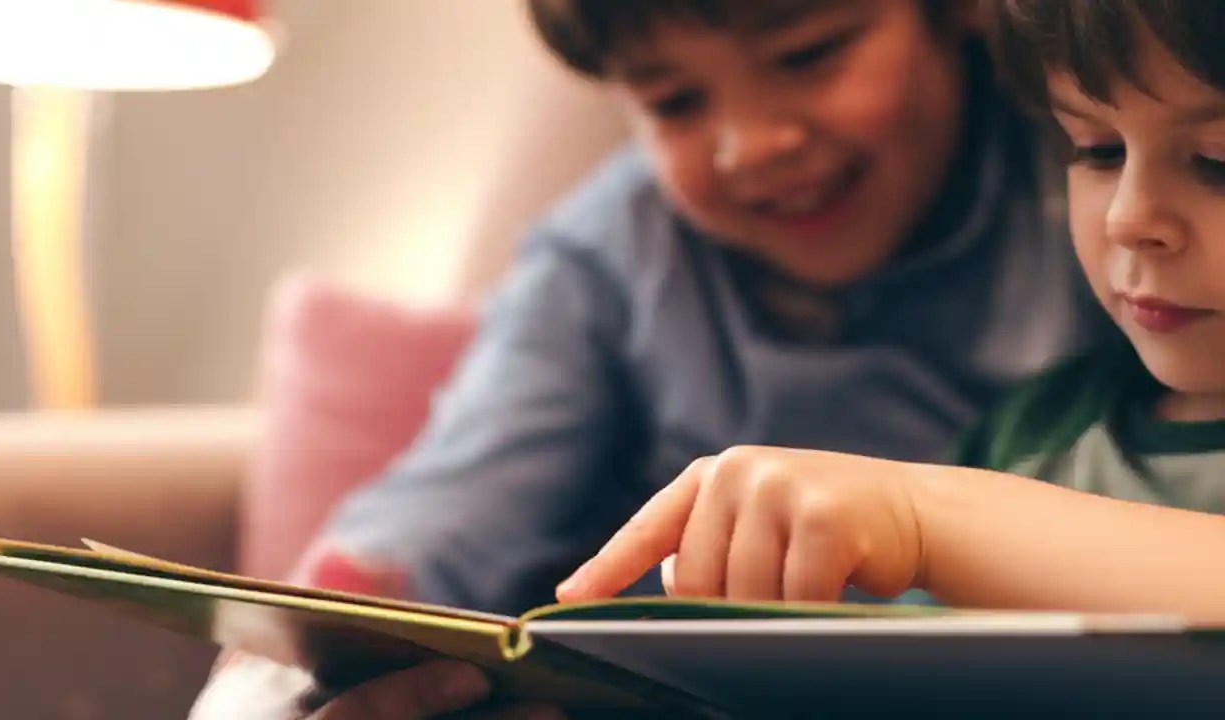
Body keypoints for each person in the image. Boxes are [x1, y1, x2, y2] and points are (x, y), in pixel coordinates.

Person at [191, 0, 1103, 716]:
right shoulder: (610, 258)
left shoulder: (1098, 187)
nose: (753, 144)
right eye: (675, 102)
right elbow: (430, 526)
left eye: (808, 54)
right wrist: (276, 682)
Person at [559, 0, 1225, 627]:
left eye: (1217, 161)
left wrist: (928, 519)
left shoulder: (951, 506)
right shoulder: (1031, 436)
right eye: (1100, 149)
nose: (1127, 219)